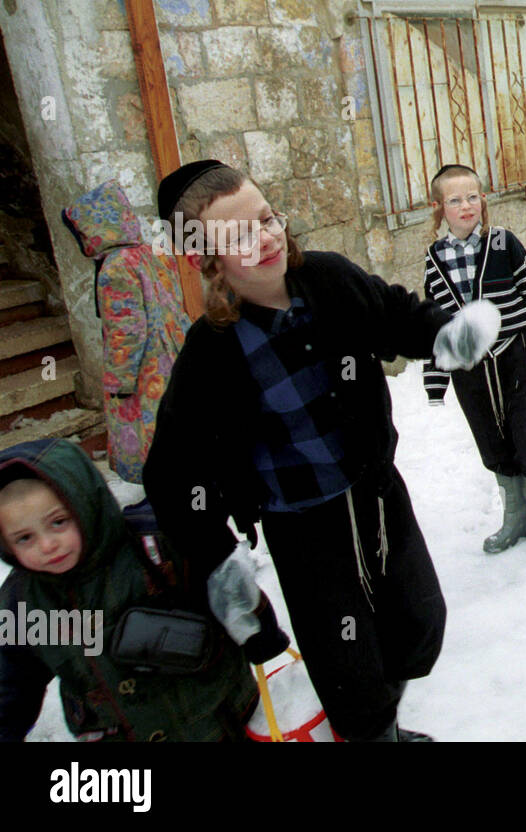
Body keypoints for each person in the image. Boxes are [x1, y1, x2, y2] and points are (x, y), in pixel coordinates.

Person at [142, 160, 500, 742]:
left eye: (265, 219)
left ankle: (381, 707)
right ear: (205, 260)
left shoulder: (331, 280)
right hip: (303, 528)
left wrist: (442, 334)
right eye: (236, 236)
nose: (262, 239)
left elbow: (394, 313)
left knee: (417, 620)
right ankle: (372, 731)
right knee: (344, 656)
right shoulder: (210, 353)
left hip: (376, 494)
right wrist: (222, 569)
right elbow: (174, 474)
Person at [0, 439, 278, 741]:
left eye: (58, 522)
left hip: (214, 720)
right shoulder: (23, 602)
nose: (47, 545)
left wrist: (258, 629)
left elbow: (227, 585)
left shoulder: (154, 546)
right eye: (24, 538)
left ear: (86, 504)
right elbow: (11, 682)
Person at [421, 163, 526, 559]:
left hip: (514, 356)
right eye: (455, 200)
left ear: (482, 200)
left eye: (473, 197)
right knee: (491, 441)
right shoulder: (435, 259)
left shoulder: (503, 243)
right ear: (439, 208)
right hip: (470, 370)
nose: (466, 206)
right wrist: (436, 381)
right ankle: (517, 517)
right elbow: (435, 323)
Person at [61, 180, 190, 484]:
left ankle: (164, 484)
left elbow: (126, 330)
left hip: (147, 368)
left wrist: (120, 382)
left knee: (151, 429)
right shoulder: (151, 253)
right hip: (176, 349)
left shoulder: (115, 268)